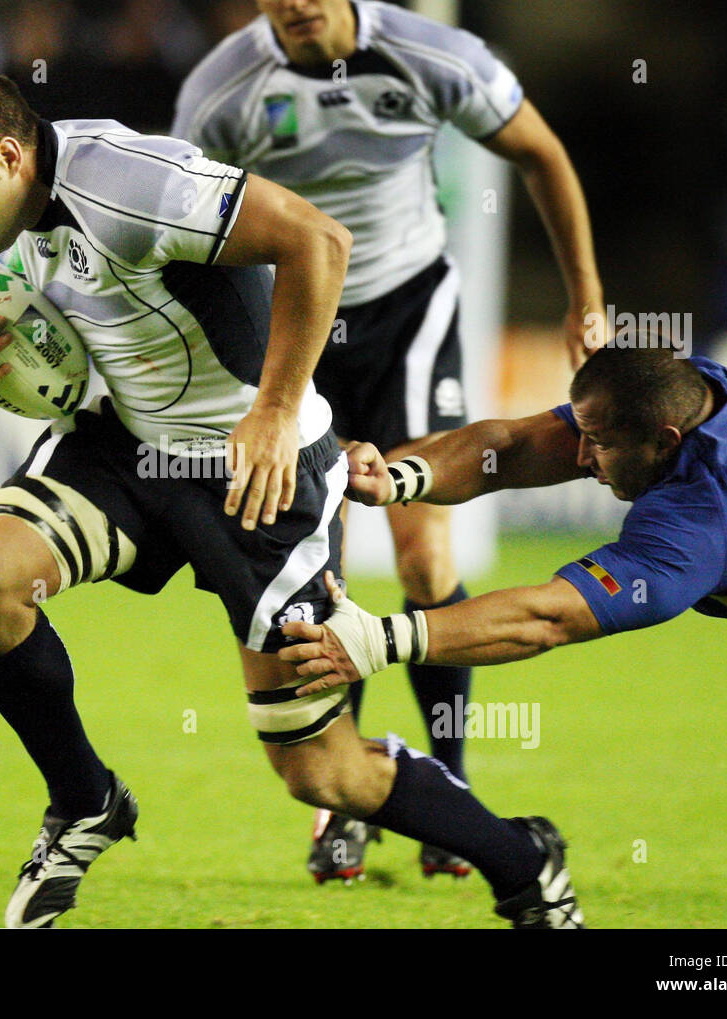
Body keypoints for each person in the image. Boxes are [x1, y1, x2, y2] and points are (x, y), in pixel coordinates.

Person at [0, 57, 583, 929]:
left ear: (7, 155)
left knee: (321, 773)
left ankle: (523, 861)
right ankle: (85, 800)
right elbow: (48, 356)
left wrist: (276, 407)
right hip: (128, 448)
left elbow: (318, 240)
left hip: (260, 474)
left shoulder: (131, 180)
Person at [173, 0, 607, 882]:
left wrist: (585, 297)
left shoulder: (429, 54)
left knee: (420, 558)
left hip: (411, 314)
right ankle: (347, 801)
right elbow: (181, 228)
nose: (292, 4)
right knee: (313, 569)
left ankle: (448, 792)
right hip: (295, 325)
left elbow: (543, 154)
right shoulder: (222, 90)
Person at [279, 344, 727, 692]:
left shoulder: (703, 521)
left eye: (596, 443)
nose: (579, 457)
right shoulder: (693, 390)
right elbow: (515, 446)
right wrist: (402, 478)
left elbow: (549, 618)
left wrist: (381, 640)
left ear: (665, 441)